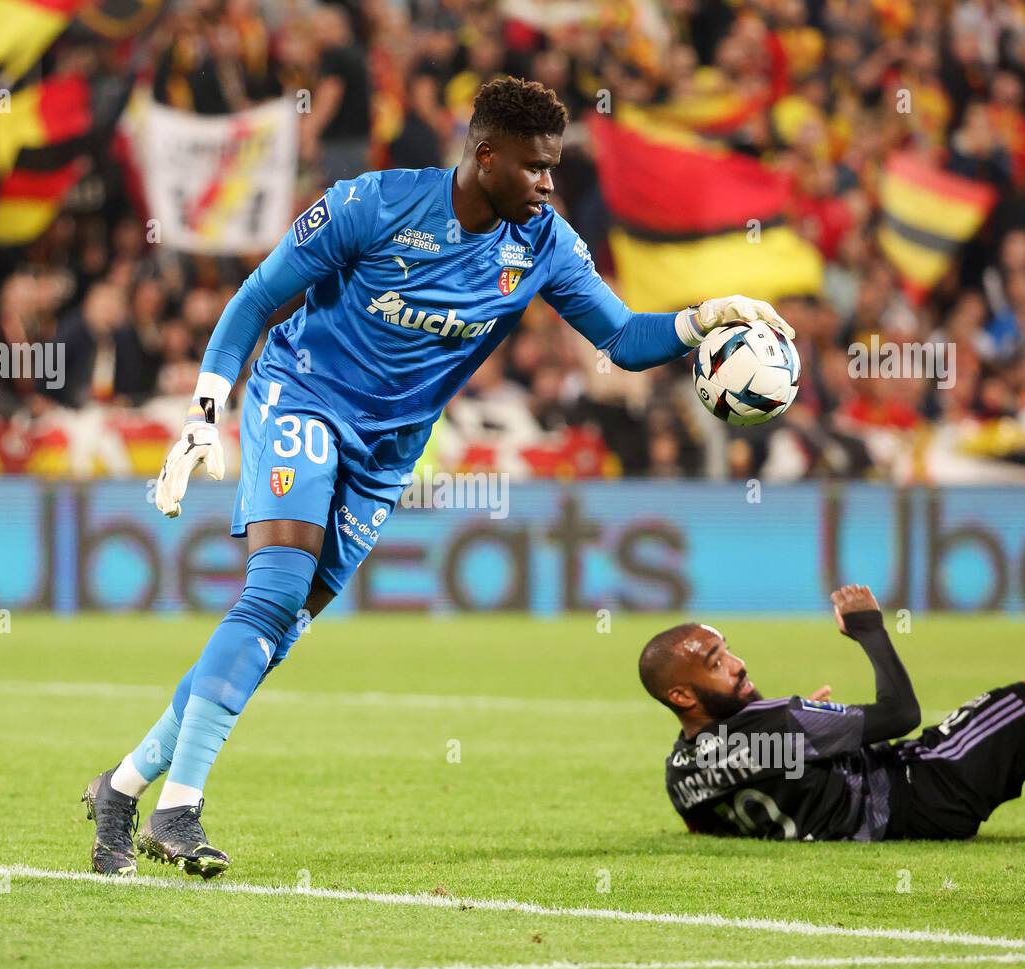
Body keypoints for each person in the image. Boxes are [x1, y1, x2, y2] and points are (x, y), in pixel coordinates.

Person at [81, 76, 794, 878]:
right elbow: (256, 299)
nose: (549, 184)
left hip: (387, 453)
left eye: (553, 167)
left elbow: (624, 338)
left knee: (276, 634)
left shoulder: (544, 244)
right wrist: (203, 411)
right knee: (273, 593)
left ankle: (123, 785)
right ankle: (179, 808)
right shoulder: (371, 205)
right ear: (485, 156)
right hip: (302, 400)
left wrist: (708, 316)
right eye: (534, 167)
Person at [642, 584, 1025, 841]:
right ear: (682, 696)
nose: (737, 665)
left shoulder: (678, 775)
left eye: (729, 652)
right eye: (717, 664)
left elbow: (709, 821)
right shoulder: (782, 725)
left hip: (898, 816)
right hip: (926, 782)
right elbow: (901, 712)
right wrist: (869, 629)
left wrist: (807, 736)